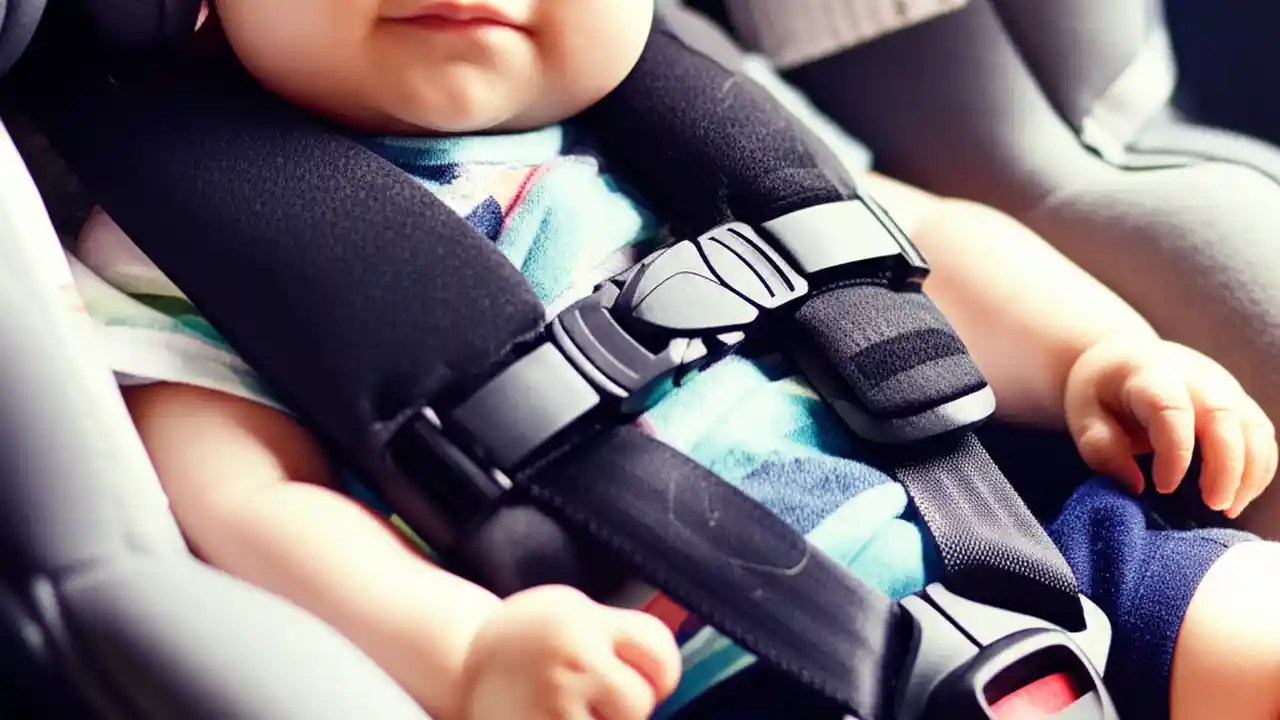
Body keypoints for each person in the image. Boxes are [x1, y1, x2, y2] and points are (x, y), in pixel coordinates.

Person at [66, 1, 1280, 718]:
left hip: (1020, 556)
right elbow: (235, 501)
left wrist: (1101, 357)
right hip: (680, 673)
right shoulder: (188, 237)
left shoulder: (686, 123)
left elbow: (910, 250)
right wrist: (461, 653)